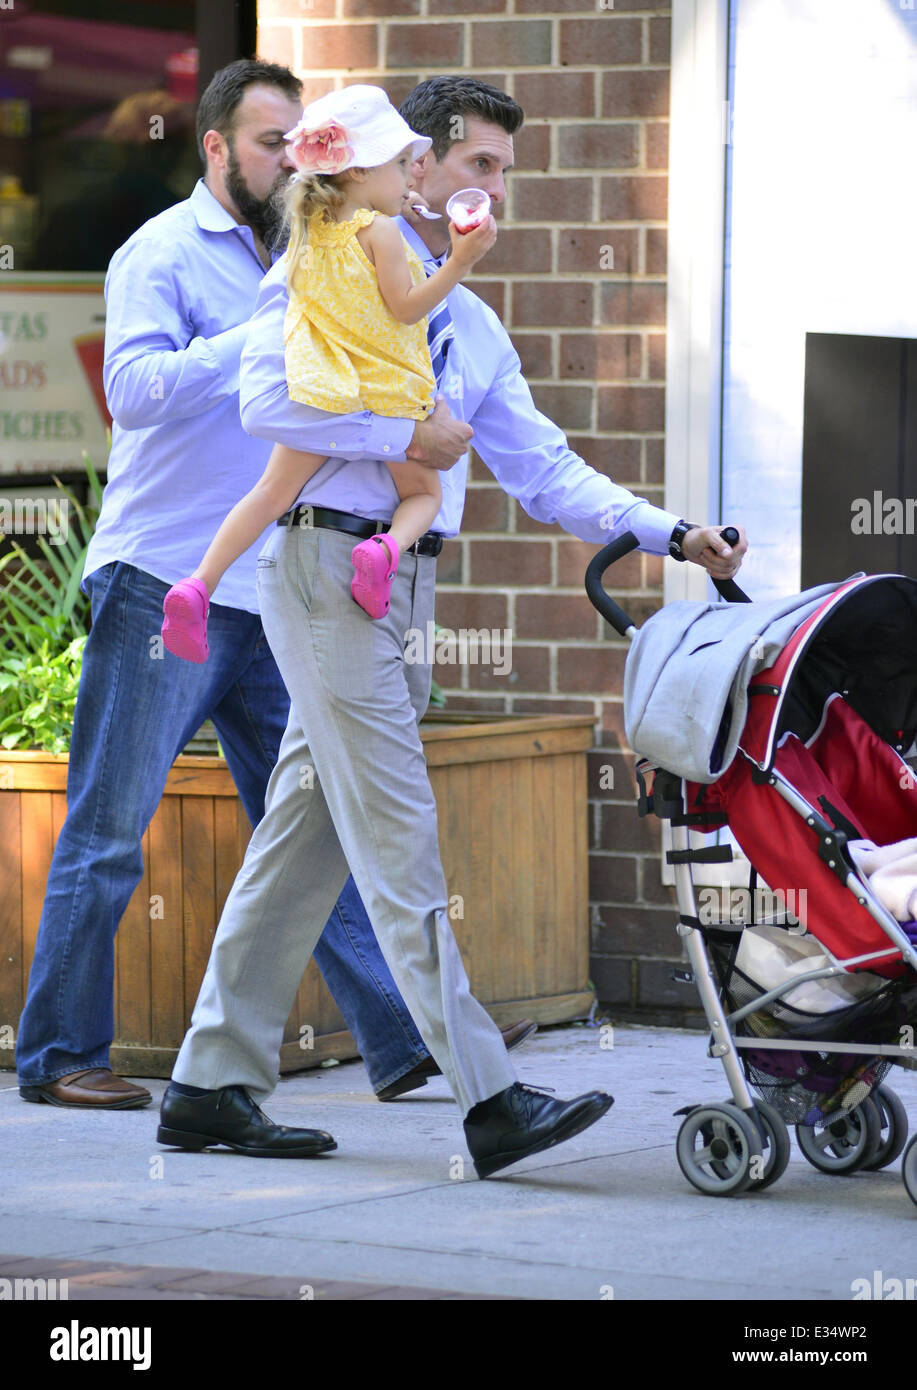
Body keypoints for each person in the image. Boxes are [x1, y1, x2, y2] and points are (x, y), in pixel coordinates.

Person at [158, 76, 748, 1180]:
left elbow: (540, 468)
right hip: (326, 563)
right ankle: (486, 1096)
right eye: (479, 166)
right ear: (413, 168)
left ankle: (205, 1085)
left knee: (302, 840)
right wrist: (405, 427)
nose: (496, 191)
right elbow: (260, 404)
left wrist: (669, 535)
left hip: (390, 587)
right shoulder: (316, 268)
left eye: (506, 174)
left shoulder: (465, 324)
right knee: (399, 839)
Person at [15, 59, 531, 1114]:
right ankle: (62, 1051)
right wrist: (268, 336)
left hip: (278, 576)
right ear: (214, 148)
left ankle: (399, 1041)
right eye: (267, 141)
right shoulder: (160, 253)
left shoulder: (326, 242)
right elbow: (133, 392)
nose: (289, 154)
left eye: (300, 138)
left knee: (309, 819)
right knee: (111, 825)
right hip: (165, 569)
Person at [161, 85, 493, 660]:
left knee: (270, 492)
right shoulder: (382, 232)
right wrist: (460, 263)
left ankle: (198, 584)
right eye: (398, 166)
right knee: (424, 496)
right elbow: (406, 307)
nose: (410, 179)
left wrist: (396, 207)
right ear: (360, 171)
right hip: (389, 388)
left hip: (325, 385)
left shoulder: (311, 231)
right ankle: (384, 554)